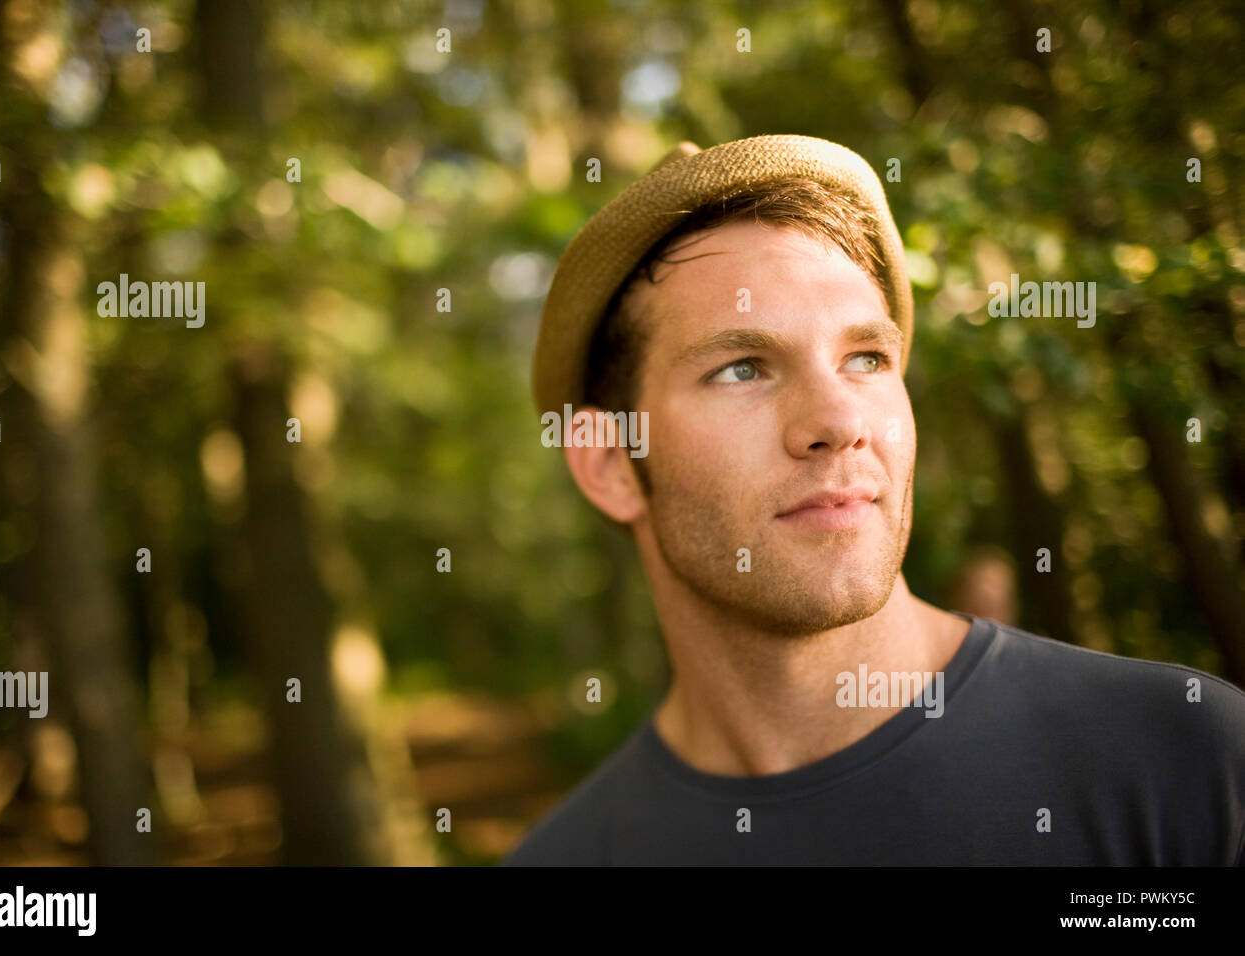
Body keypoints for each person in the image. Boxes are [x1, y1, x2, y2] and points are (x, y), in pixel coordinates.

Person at [507, 135, 1245, 865]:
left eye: (865, 359)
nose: (840, 422)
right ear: (610, 463)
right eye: (742, 369)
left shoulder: (1187, 765)